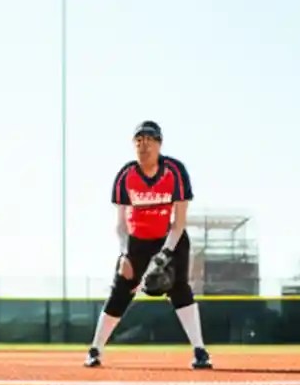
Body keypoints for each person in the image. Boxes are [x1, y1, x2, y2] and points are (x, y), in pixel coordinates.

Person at [85, 120, 212, 369]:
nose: (144, 146)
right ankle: (95, 349)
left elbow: (179, 222)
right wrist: (125, 255)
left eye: (150, 141)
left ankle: (200, 350)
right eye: (139, 141)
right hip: (137, 240)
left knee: (179, 289)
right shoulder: (126, 175)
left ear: (160, 144)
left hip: (169, 238)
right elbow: (120, 224)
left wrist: (164, 254)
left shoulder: (175, 171)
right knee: (121, 289)